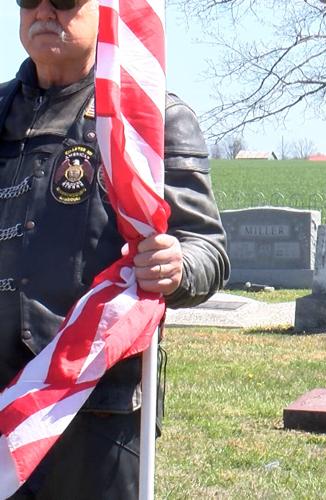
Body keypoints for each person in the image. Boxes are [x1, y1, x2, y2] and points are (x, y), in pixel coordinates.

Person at [1, 0, 229, 497]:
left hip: (96, 405)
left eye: (63, 0)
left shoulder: (152, 120)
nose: (43, 11)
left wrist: (178, 265)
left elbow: (207, 249)